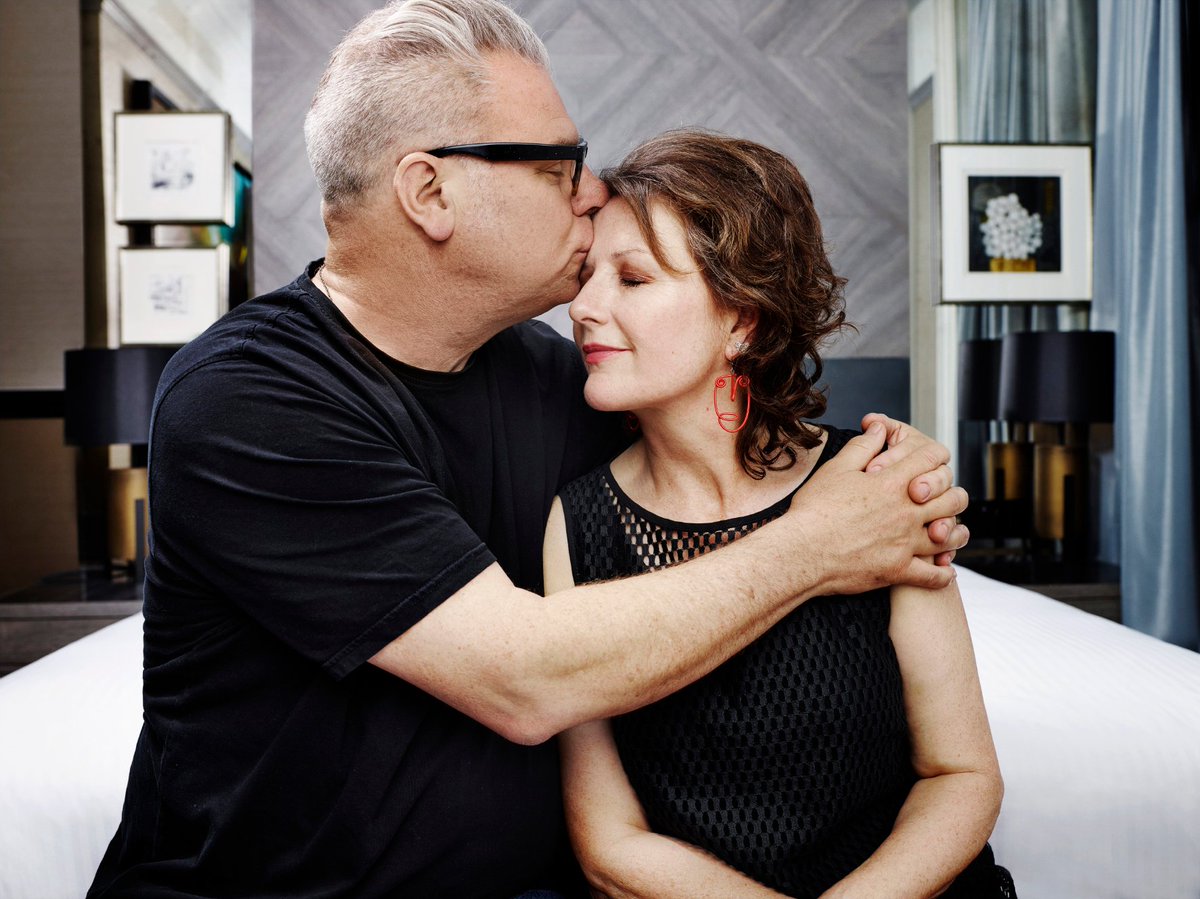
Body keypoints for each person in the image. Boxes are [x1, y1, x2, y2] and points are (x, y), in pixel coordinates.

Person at [88, 2, 970, 897]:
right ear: (430, 192)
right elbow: (526, 678)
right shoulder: (246, 398)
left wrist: (897, 476)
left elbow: (727, 446)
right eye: (556, 166)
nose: (589, 193)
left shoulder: (557, 380)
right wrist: (821, 541)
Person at [546, 129, 1013, 899]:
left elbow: (961, 774)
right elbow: (610, 842)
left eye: (631, 278)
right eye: (588, 275)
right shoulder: (579, 521)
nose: (584, 307)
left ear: (744, 320)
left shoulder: (876, 484)